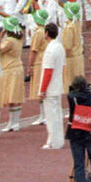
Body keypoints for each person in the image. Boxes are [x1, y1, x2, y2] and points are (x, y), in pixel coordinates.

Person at [37, 21, 66, 149]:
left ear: (46, 33)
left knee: (51, 116)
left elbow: (48, 72)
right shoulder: (60, 47)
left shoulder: (50, 50)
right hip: (58, 84)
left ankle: (54, 141)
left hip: (50, 87)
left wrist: (42, 90)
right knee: (57, 114)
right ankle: (56, 140)